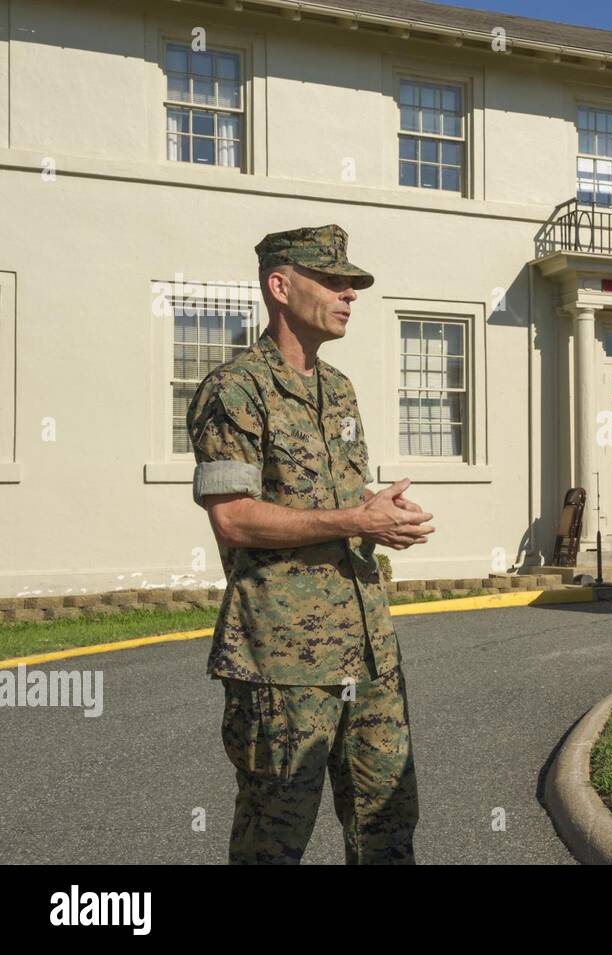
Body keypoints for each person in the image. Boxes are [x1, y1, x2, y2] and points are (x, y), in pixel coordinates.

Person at [186, 224, 434, 864]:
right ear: (280, 285)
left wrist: (385, 519)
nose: (349, 292)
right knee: (275, 836)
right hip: (283, 659)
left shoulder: (340, 389)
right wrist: (356, 519)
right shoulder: (235, 390)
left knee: (387, 823)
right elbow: (234, 519)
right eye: (332, 280)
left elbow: (340, 505)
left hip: (368, 648)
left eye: (352, 283)